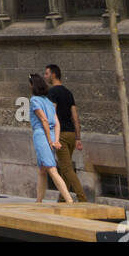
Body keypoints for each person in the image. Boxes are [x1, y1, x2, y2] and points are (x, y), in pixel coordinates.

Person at [44, 64, 87, 202]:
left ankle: (82, 198)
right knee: (65, 168)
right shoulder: (68, 93)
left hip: (60, 135)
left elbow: (52, 116)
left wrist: (51, 136)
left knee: (67, 169)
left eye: (47, 74)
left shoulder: (52, 93)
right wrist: (78, 137)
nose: (45, 76)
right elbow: (75, 116)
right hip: (71, 134)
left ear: (53, 75)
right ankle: (62, 199)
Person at [29, 73, 74, 204]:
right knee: (42, 170)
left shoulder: (34, 100)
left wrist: (49, 140)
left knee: (51, 169)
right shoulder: (48, 102)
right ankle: (39, 201)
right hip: (53, 134)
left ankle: (69, 200)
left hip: (42, 135)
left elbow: (43, 120)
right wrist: (56, 140)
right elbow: (56, 122)